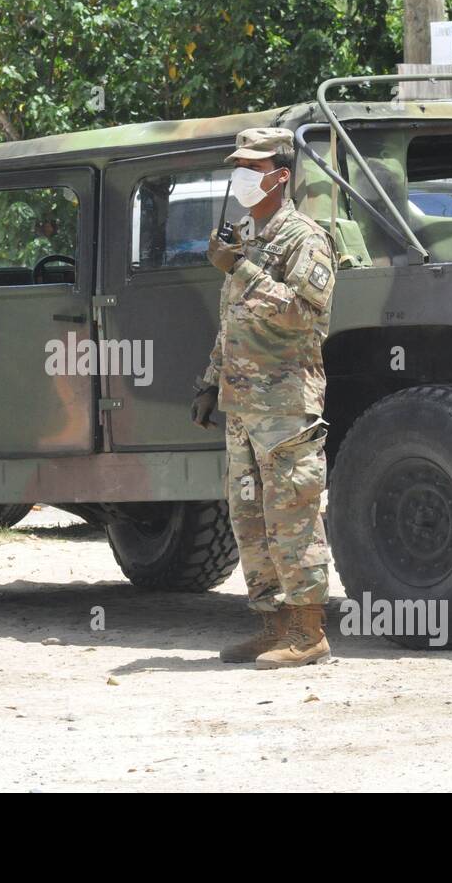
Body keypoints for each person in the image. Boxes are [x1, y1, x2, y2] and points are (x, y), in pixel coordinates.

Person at [191, 127, 337, 669]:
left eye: (251, 168)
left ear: (279, 175)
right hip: (242, 402)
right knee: (249, 515)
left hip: (284, 404)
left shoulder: (304, 238)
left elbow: (304, 313)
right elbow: (233, 325)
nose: (241, 178)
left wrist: (242, 270)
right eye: (238, 167)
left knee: (292, 512)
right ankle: (273, 626)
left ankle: (308, 632)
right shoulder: (248, 239)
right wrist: (210, 382)